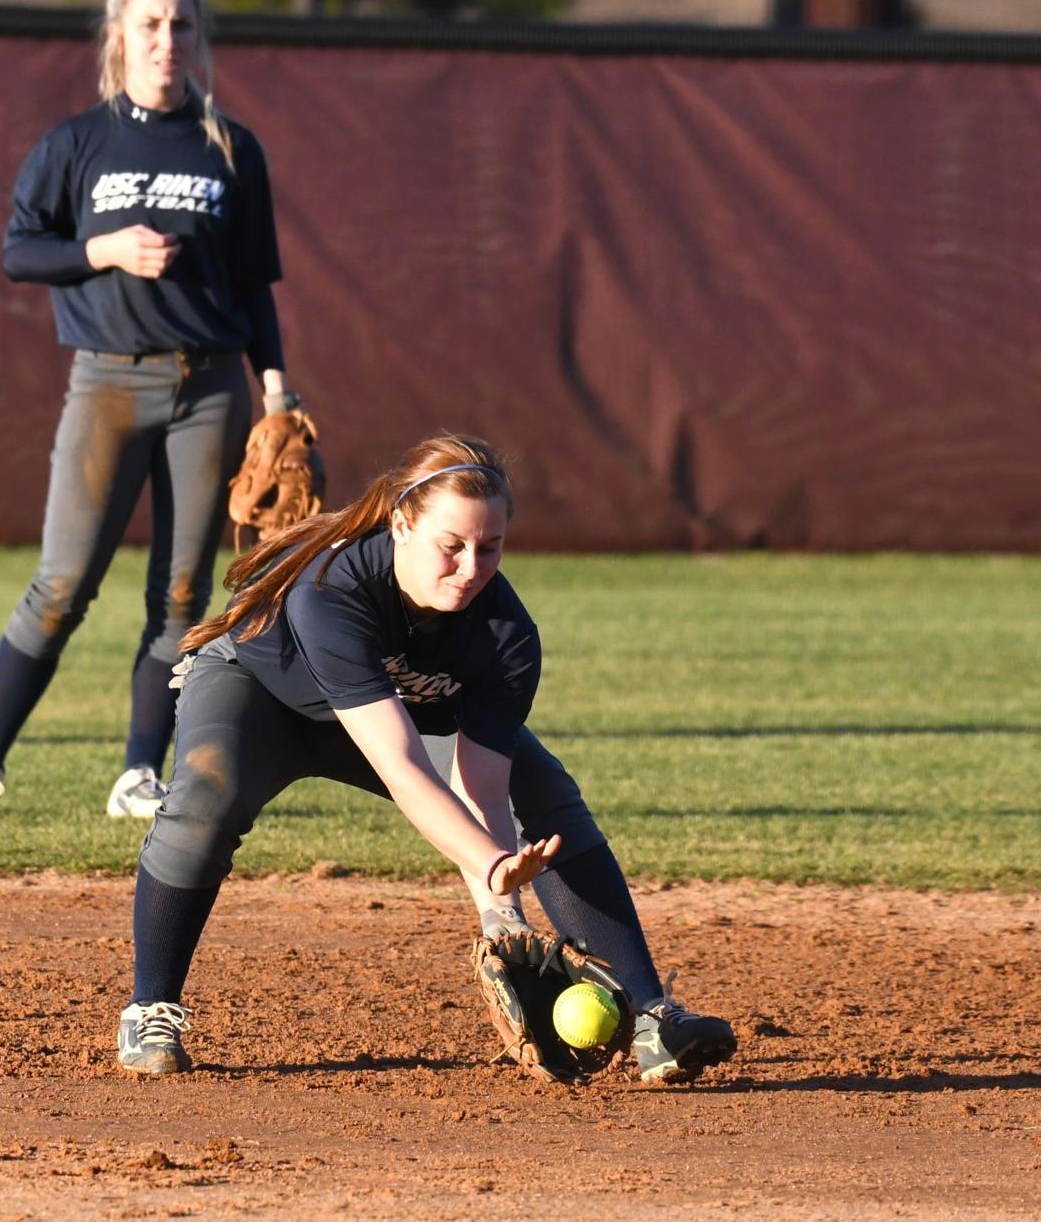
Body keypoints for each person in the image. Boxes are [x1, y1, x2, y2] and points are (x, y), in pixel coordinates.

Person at [116, 434, 737, 1084]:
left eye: (490, 547)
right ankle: (150, 1007)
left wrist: (503, 914)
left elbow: (484, 789)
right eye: (452, 545)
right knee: (211, 788)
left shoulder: (506, 636)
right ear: (402, 523)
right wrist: (492, 864)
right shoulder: (334, 588)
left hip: (400, 719)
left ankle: (649, 1018)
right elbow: (403, 768)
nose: (471, 568)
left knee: (545, 797)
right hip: (262, 698)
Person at [0, 0, 297, 821]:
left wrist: (276, 389)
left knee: (181, 596)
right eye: (152, 24)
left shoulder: (230, 148)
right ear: (119, 36)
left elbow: (255, 287)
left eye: (182, 24)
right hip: (107, 379)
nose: (168, 39)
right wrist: (103, 247)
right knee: (61, 585)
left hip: (210, 386)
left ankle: (139, 772)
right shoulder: (77, 143)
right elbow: (21, 250)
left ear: (200, 36)